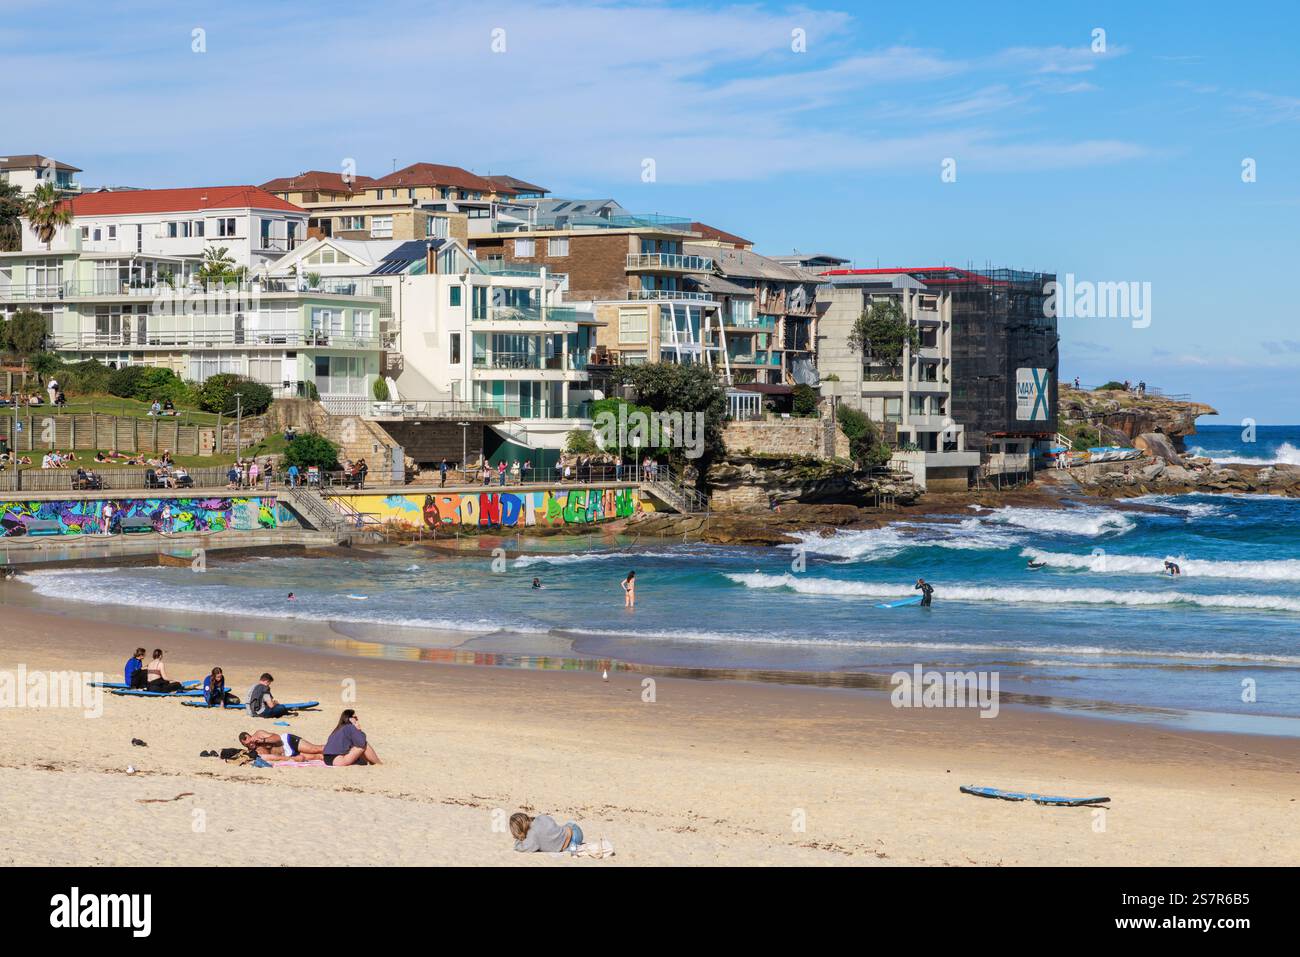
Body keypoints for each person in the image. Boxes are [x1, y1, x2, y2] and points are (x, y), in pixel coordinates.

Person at [509, 812, 583, 854]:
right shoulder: (541, 817)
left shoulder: (531, 838)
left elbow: (518, 847)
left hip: (570, 843)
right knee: (569, 824)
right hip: (575, 832)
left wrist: (519, 838)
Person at [239, 730, 324, 759]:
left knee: (315, 749)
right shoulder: (254, 752)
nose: (250, 745)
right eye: (247, 745)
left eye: (250, 742)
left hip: (287, 742)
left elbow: (277, 738)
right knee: (316, 756)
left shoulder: (259, 734)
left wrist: (262, 740)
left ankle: (336, 747)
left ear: (251, 736)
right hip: (288, 754)